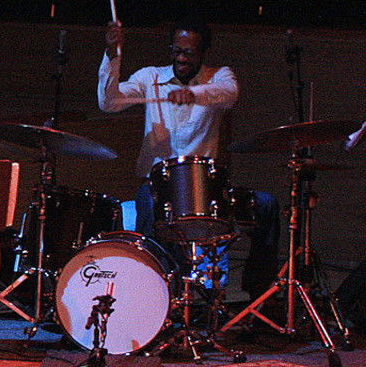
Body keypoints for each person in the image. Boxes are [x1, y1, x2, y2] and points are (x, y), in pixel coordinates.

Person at [98, 19, 279, 300]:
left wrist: (193, 93)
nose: (181, 58)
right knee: (146, 202)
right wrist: (112, 54)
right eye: (177, 50)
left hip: (207, 189)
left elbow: (230, 94)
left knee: (267, 206)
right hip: (160, 186)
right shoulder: (150, 77)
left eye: (189, 53)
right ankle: (152, 295)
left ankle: (258, 297)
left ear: (203, 52)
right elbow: (108, 103)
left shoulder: (219, 76)